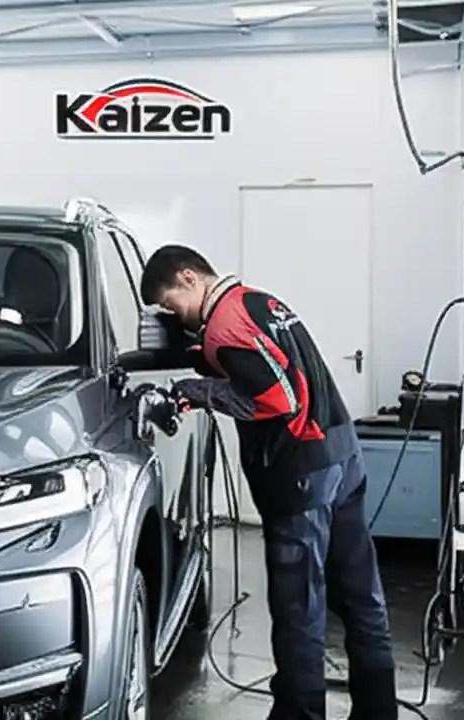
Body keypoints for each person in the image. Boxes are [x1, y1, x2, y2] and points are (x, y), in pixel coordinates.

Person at [138, 245, 398, 720]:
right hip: (342, 454)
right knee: (361, 597)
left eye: (172, 305)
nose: (177, 318)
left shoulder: (224, 326)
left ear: (189, 277)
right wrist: (203, 363)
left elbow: (276, 398)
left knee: (299, 609)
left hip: (300, 476)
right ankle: (378, 711)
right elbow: (272, 366)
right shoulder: (260, 302)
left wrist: (193, 390)